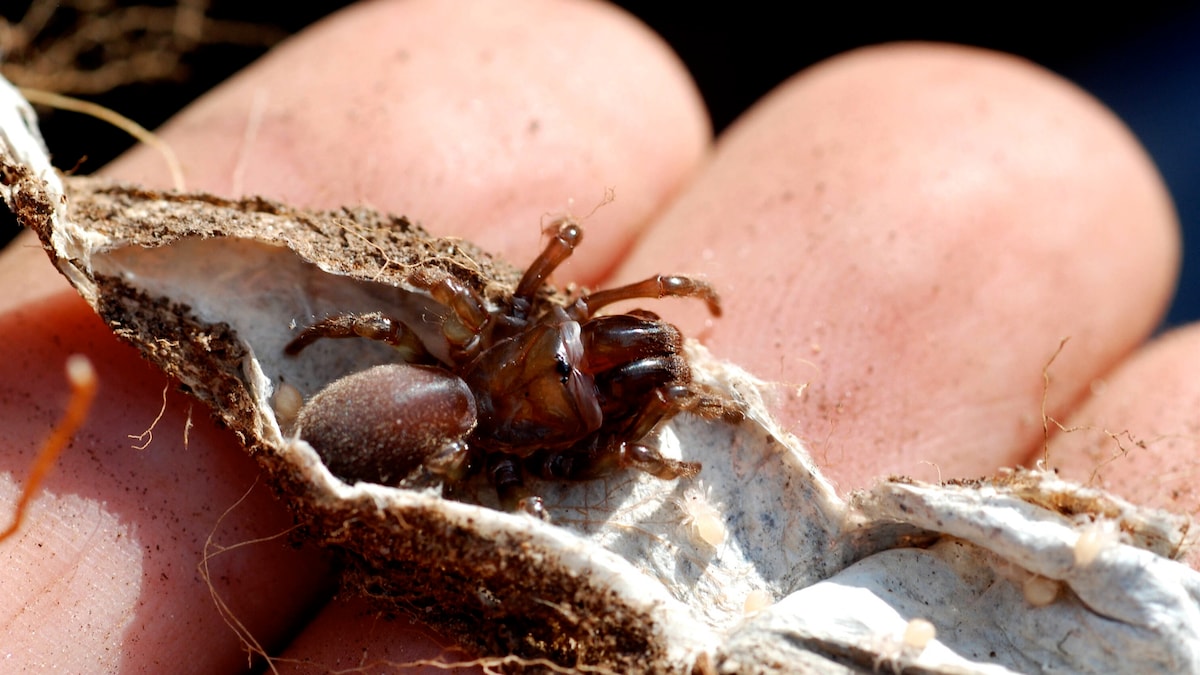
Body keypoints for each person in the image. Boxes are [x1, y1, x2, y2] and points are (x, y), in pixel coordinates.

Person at [0, 0, 1190, 670]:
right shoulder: (527, 386)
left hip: (445, 409)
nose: (643, 352)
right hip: (428, 412)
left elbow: (570, 387)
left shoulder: (523, 372)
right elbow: (553, 387)